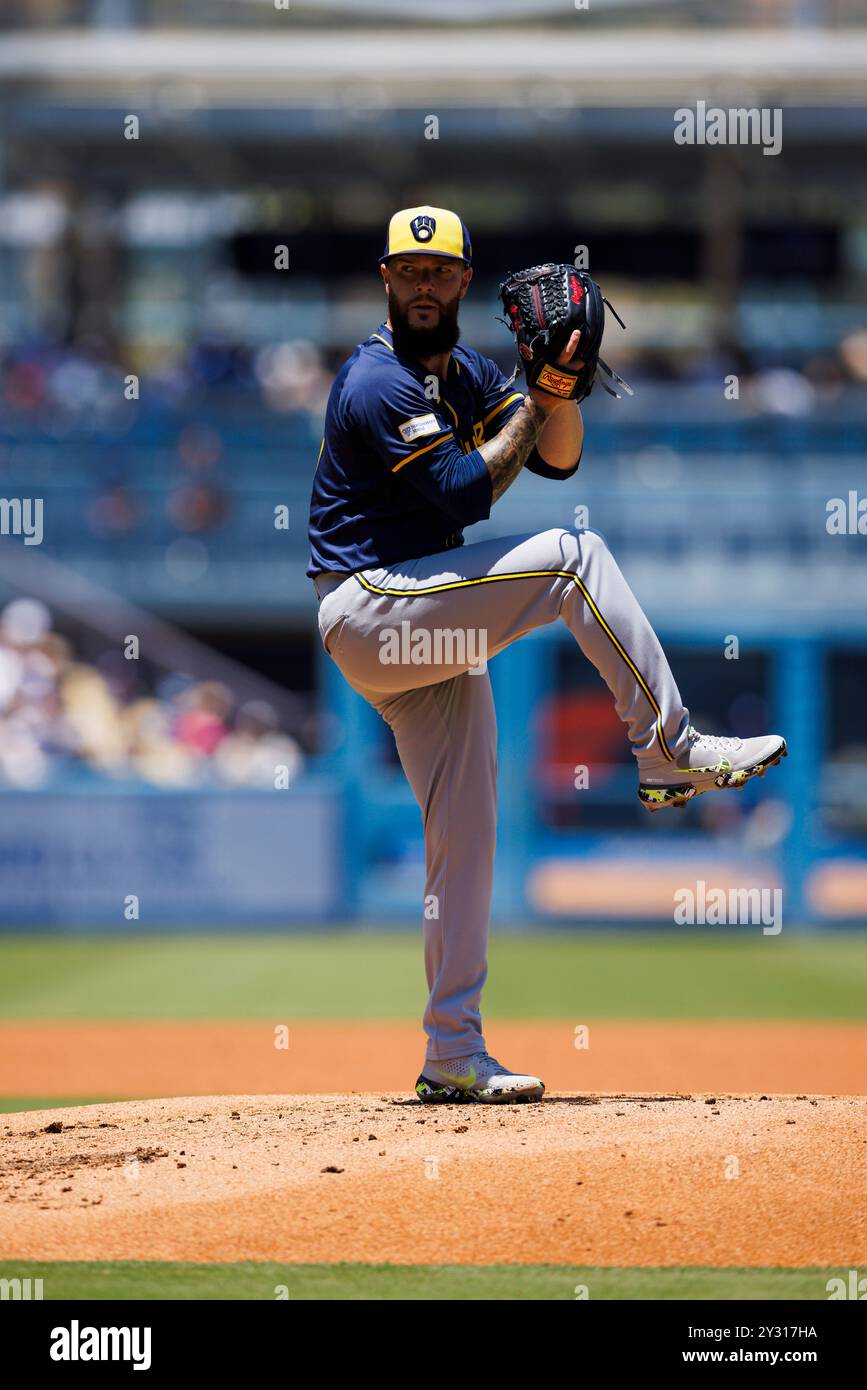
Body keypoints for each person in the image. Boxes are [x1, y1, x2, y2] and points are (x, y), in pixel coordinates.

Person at [307, 206, 787, 1105]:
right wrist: (531, 402)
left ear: (460, 279)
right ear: (385, 279)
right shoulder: (378, 381)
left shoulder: (471, 371)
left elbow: (556, 462)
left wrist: (557, 387)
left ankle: (451, 1049)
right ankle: (670, 751)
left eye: (438, 270)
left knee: (467, 835)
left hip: (425, 627)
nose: (422, 284)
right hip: (369, 606)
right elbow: (468, 486)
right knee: (573, 557)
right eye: (407, 271)